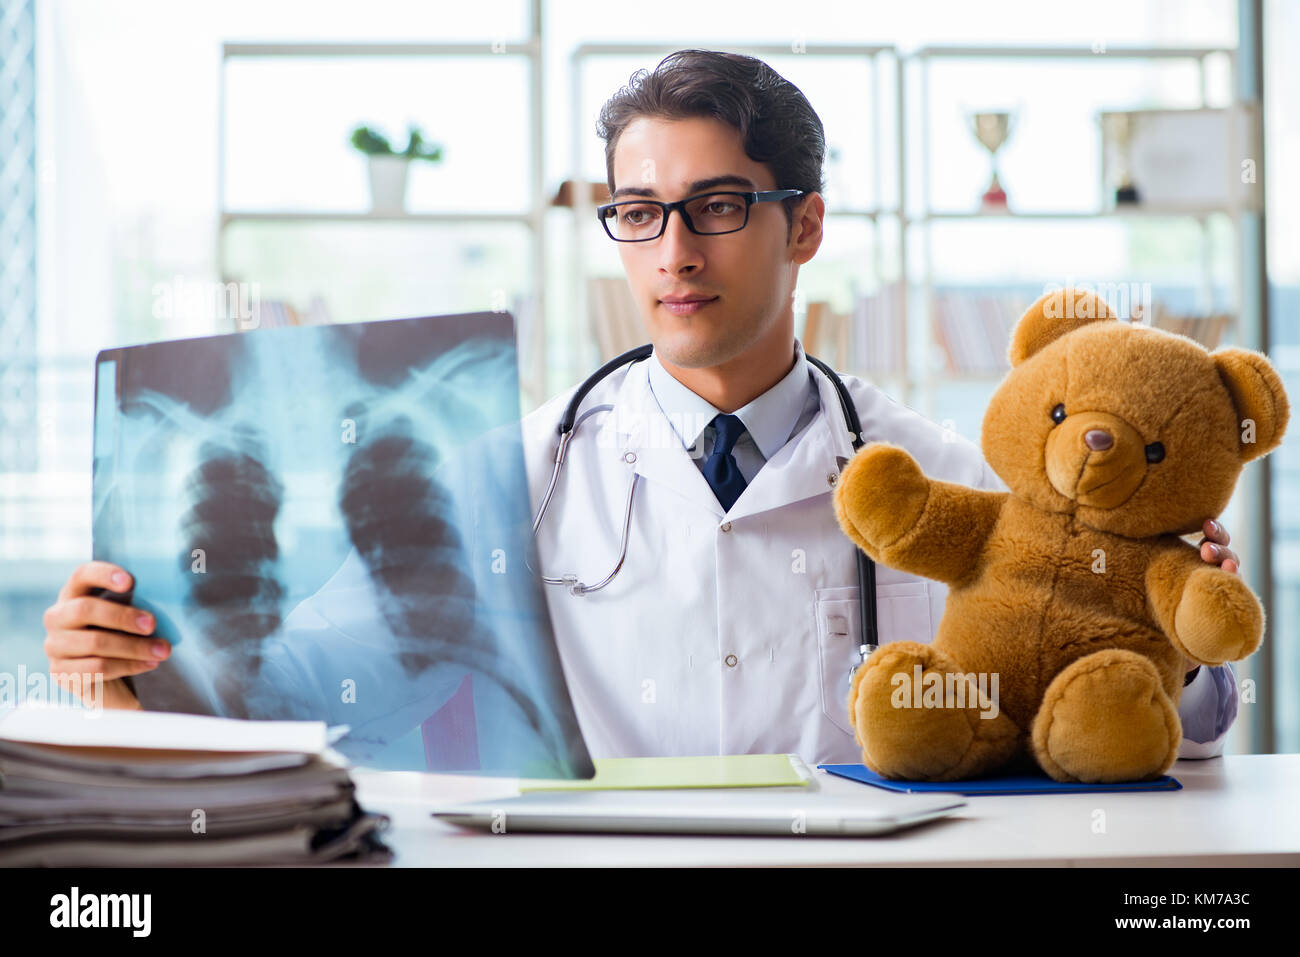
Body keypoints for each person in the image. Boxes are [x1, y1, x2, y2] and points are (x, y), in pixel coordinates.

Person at [43, 49, 1241, 765]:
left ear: (804, 225)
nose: (672, 249)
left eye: (717, 204)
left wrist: (1168, 626)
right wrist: (128, 663)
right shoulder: (505, 477)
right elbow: (300, 686)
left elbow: (1162, 724)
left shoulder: (945, 475)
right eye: (636, 209)